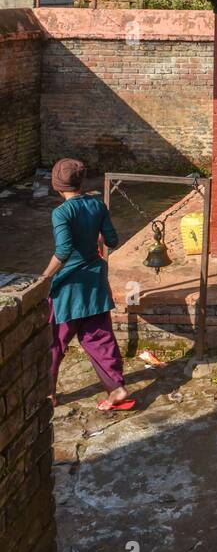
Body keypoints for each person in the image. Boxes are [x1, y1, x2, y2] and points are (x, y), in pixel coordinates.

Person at [39, 158, 134, 412]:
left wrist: (44, 278)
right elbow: (112, 240)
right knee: (100, 337)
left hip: (68, 287)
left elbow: (63, 250)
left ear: (57, 186)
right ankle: (117, 388)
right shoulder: (97, 204)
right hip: (94, 282)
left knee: (55, 343)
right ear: (80, 182)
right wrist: (98, 235)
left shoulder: (61, 212)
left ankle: (49, 394)